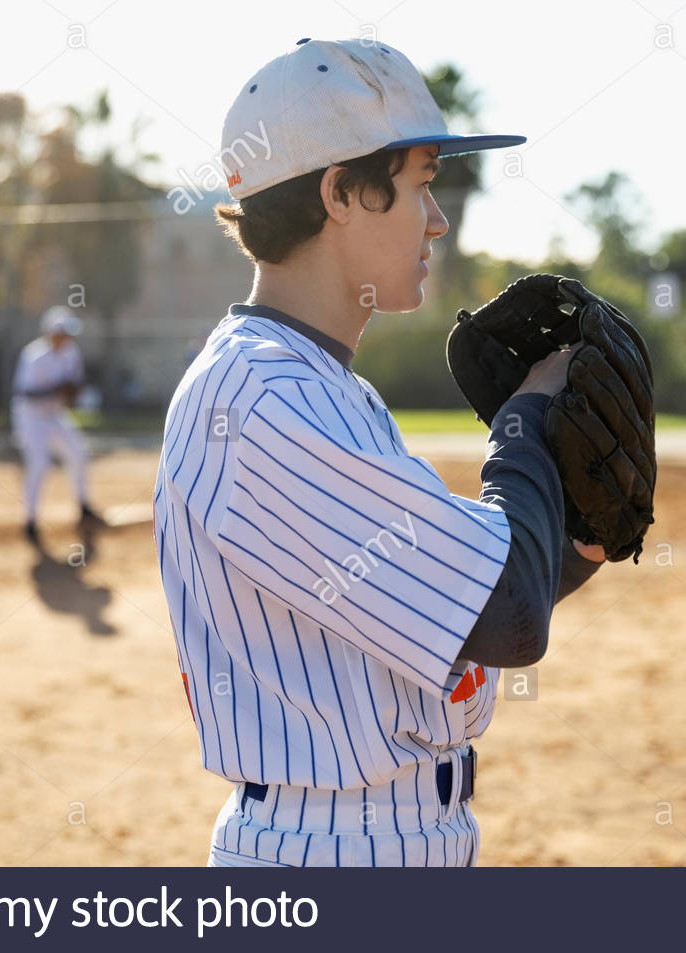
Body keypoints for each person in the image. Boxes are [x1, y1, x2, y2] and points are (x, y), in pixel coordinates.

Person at [153, 37, 605, 868]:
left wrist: (576, 540)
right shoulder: (262, 397)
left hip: (376, 837)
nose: (437, 219)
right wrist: (525, 421)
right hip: (330, 848)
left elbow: (474, 605)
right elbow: (504, 612)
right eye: (420, 185)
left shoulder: (321, 385)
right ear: (339, 193)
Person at [11, 305, 97, 544]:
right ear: (50, 332)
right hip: (31, 417)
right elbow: (25, 393)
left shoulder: (71, 352)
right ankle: (30, 521)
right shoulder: (34, 355)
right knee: (38, 465)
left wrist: (73, 392)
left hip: (55, 414)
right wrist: (57, 390)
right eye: (62, 332)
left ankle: (84, 508)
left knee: (79, 453)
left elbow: (74, 387)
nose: (67, 337)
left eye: (69, 333)